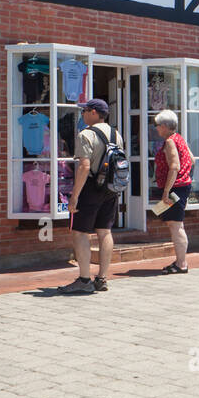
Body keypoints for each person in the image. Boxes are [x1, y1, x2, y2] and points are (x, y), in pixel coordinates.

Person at [59, 98, 123, 294]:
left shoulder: (85, 134)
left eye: (85, 111)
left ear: (94, 112)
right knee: (105, 231)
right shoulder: (116, 134)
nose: (82, 114)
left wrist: (74, 196)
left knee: (80, 233)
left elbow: (84, 166)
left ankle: (84, 279)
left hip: (91, 188)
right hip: (111, 188)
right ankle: (102, 278)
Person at [154, 109, 194, 273]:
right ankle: (179, 261)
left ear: (164, 126)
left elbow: (174, 167)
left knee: (176, 225)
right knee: (173, 223)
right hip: (181, 186)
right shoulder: (179, 139)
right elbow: (192, 160)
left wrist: (166, 192)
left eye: (157, 125)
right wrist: (187, 177)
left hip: (175, 188)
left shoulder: (170, 141)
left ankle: (181, 264)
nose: (156, 128)